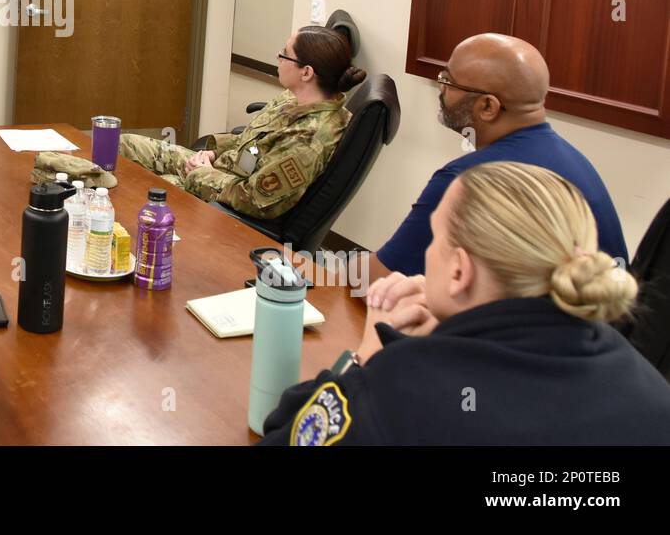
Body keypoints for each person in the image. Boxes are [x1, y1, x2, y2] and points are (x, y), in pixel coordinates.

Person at [261, 161, 670, 445]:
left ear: (459, 271)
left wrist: (366, 360)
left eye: (436, 238)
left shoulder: (404, 388)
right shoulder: (650, 388)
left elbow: (286, 435)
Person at [373, 33, 627, 278]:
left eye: (448, 81)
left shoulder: (469, 180)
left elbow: (377, 279)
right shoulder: (575, 162)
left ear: (487, 106)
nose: (441, 88)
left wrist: (350, 264)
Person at [119, 26, 365, 219]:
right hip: (218, 169)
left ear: (307, 72)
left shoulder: (308, 141)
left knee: (131, 192)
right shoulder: (292, 97)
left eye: (285, 54)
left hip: (221, 197)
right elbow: (250, 140)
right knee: (123, 144)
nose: (278, 57)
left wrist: (202, 174)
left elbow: (255, 199)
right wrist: (212, 155)